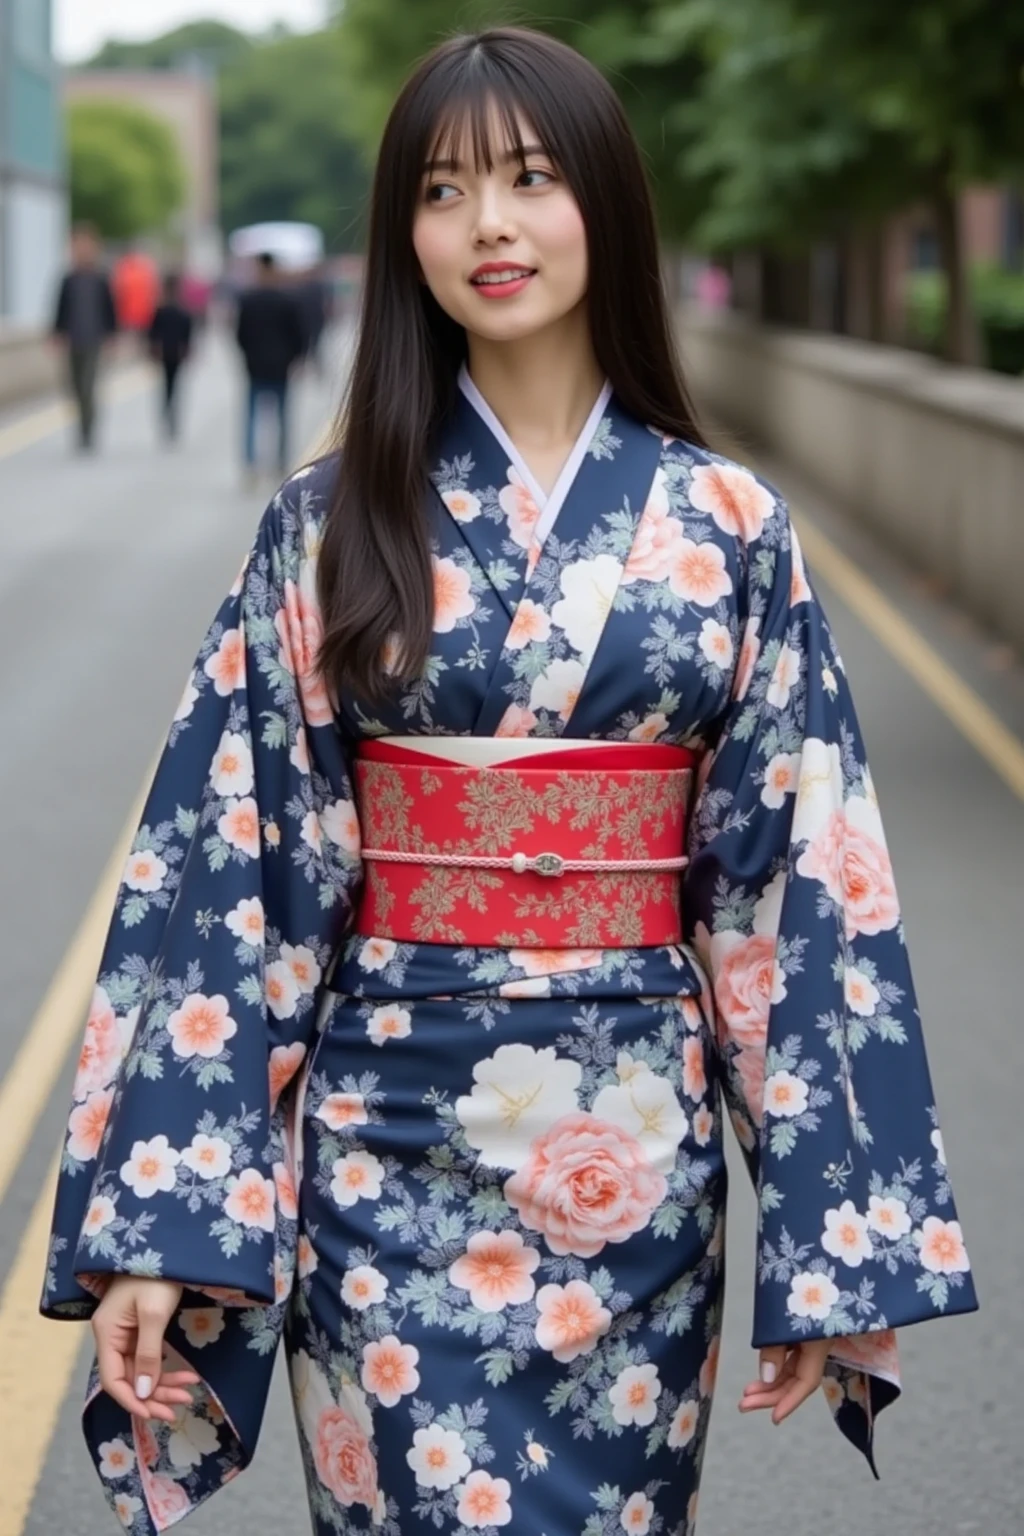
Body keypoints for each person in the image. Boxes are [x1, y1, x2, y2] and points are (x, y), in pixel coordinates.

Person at [41, 28, 977, 1536]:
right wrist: (168, 1230)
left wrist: (830, 1235)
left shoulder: (727, 523)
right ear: (400, 234)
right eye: (444, 188)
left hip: (633, 1175)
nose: (489, 224)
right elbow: (233, 883)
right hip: (382, 1154)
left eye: (532, 180)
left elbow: (796, 894)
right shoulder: (327, 527)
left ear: (605, 201)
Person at [235, 251, 306, 484]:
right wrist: (297, 358)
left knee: (252, 417)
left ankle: (251, 465)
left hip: (255, 365)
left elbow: (240, 334)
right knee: (282, 417)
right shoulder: (287, 300)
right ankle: (280, 463)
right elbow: (298, 334)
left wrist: (247, 354)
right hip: (281, 365)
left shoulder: (248, 299)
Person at [52, 224, 117, 451]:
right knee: (75, 386)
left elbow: (110, 309)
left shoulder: (101, 278)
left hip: (94, 340)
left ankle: (87, 431)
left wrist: (112, 335)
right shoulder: (68, 278)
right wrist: (57, 334)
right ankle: (81, 426)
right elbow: (60, 308)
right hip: (73, 339)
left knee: (89, 386)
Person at [148, 273, 194, 441]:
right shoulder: (166, 310)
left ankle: (170, 416)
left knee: (170, 386)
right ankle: (169, 416)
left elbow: (187, 333)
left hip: (173, 352)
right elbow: (153, 332)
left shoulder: (172, 310)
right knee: (170, 386)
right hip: (169, 352)